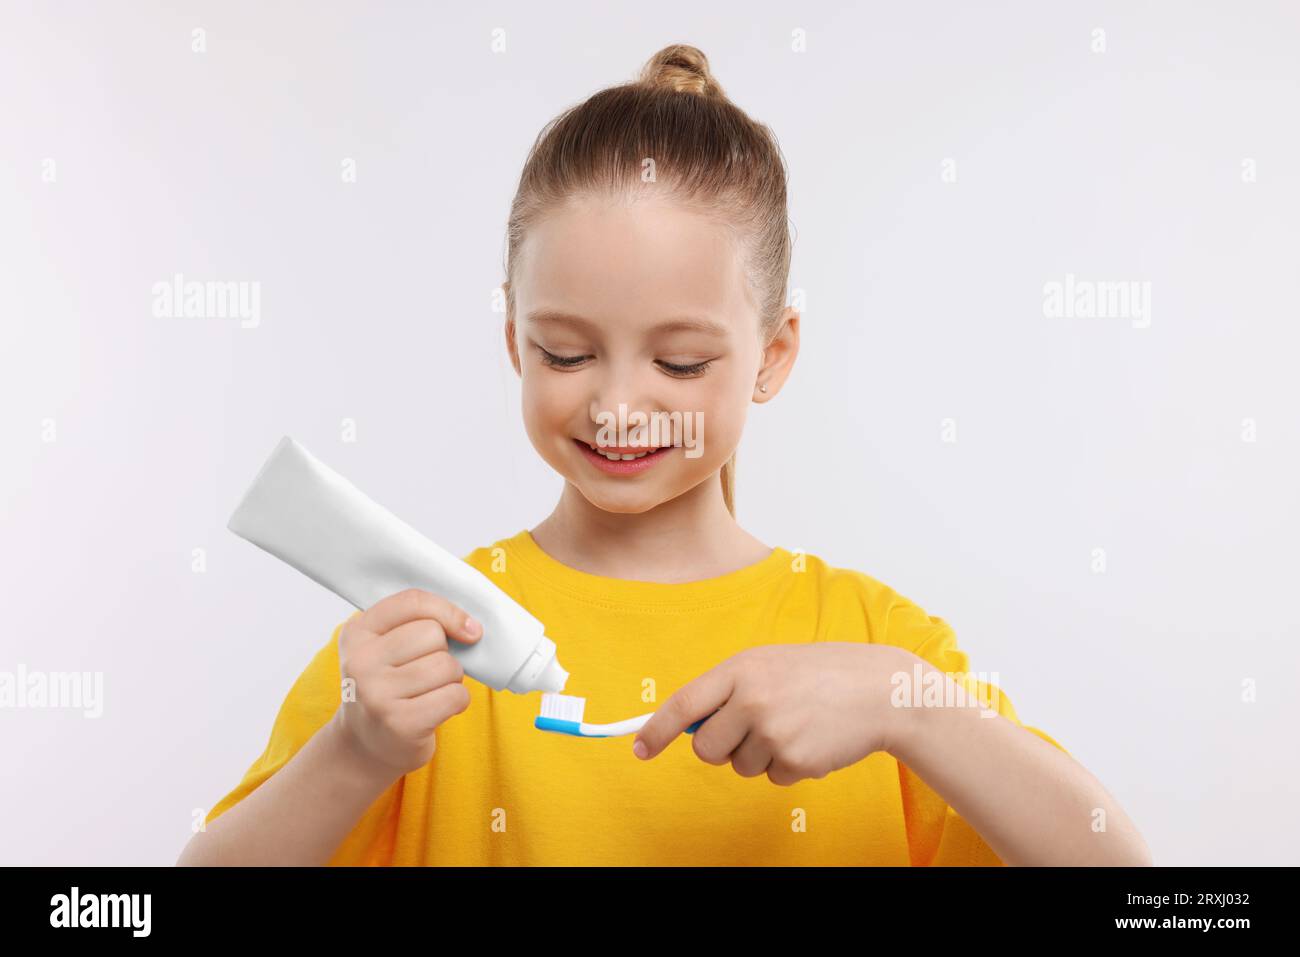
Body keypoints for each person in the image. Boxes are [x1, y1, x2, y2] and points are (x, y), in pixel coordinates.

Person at [177, 44, 1151, 867]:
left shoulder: (867, 640)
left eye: (679, 362)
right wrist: (355, 751)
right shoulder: (432, 647)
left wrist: (912, 711)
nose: (616, 405)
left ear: (773, 355)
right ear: (515, 339)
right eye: (566, 352)